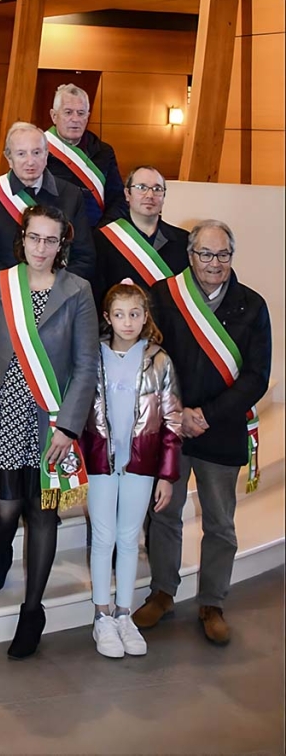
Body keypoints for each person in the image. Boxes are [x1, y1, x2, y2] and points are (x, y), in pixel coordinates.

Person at [0, 204, 98, 658]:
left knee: (43, 515)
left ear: (63, 244)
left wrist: (69, 426)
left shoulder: (78, 290)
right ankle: (2, 547)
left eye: (51, 240)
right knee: (4, 509)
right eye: (34, 238)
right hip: (3, 413)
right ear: (21, 238)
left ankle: (32, 610)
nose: (40, 248)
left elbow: (85, 366)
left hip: (50, 423)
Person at [133, 220, 271, 645]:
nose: (215, 263)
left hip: (221, 429)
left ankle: (212, 601)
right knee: (164, 515)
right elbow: (151, 357)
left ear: (232, 256)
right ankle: (162, 591)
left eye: (223, 255)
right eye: (206, 254)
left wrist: (207, 415)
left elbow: (256, 377)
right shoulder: (164, 296)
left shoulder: (252, 305)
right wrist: (178, 412)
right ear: (190, 256)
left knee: (220, 523)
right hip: (173, 427)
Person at [81, 281, 182, 658]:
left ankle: (124, 613)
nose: (127, 322)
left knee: (129, 538)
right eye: (120, 315)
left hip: (141, 463)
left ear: (145, 317)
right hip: (99, 462)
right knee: (103, 537)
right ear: (107, 317)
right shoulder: (92, 355)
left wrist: (167, 475)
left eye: (135, 314)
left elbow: (172, 420)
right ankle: (101, 615)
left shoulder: (160, 360)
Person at [0, 122, 95, 294]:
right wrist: (18, 291)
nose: (30, 161)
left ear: (46, 154)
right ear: (9, 158)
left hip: (59, 299)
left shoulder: (71, 195)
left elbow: (84, 257)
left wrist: (53, 292)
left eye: (36, 152)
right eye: (21, 154)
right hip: (5, 297)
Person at [93, 165, 189, 309]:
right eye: (141, 187)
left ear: (164, 196)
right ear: (127, 193)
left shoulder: (183, 240)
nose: (149, 195)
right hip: (122, 326)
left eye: (157, 189)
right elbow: (98, 294)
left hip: (168, 328)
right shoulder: (104, 238)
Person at [45, 84, 124, 228]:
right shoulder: (39, 151)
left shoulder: (104, 152)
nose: (75, 119)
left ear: (87, 117)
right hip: (52, 234)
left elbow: (117, 199)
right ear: (54, 116)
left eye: (81, 113)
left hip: (96, 234)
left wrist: (103, 230)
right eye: (68, 112)